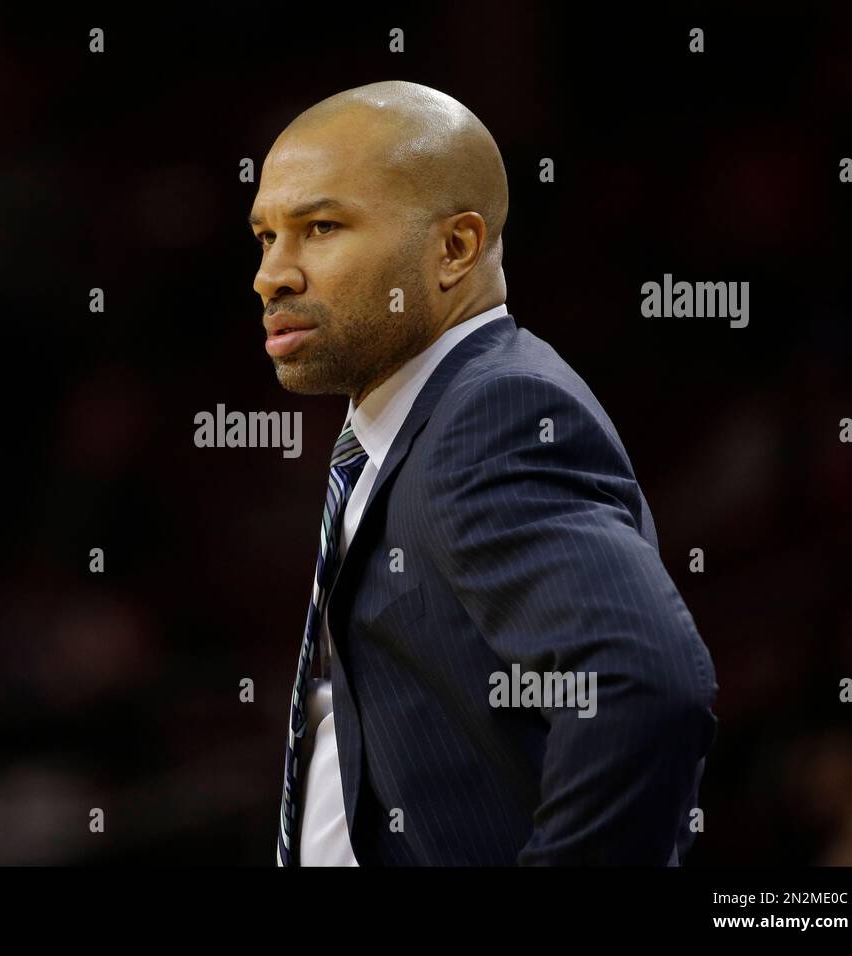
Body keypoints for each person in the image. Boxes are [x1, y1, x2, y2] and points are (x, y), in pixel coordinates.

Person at [250, 80, 718, 865]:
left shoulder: (493, 415)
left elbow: (646, 685)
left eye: (320, 227)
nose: (273, 276)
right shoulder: (406, 424)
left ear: (455, 248)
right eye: (265, 237)